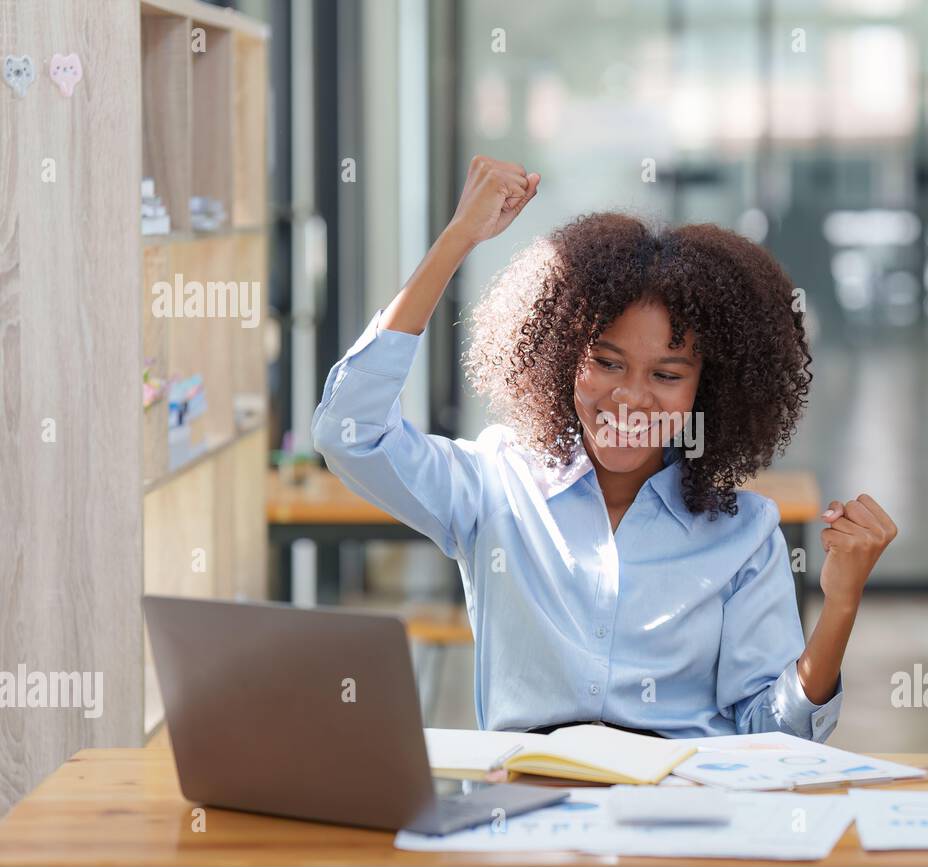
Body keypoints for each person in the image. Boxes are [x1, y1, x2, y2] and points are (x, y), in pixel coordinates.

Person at [311, 155, 897, 743]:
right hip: (530, 810)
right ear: (563, 358)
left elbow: (775, 737)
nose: (630, 398)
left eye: (667, 375)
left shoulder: (745, 533)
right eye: (606, 362)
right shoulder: (496, 488)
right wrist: (458, 237)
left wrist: (840, 604)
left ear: (707, 389)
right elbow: (350, 433)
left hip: (680, 812)